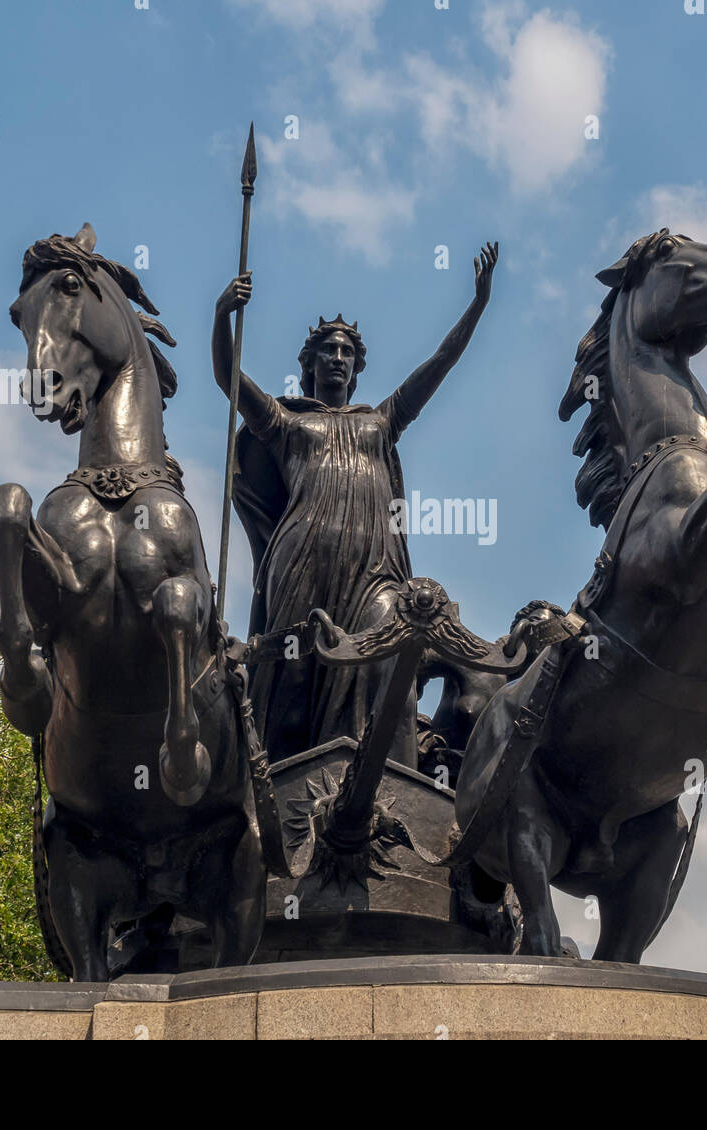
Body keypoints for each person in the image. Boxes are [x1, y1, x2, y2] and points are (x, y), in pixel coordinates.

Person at [212, 243, 499, 768]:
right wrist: (222, 317)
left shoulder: (381, 420)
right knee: (292, 679)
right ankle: (277, 784)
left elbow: (438, 365)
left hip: (373, 569)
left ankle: (388, 784)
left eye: (347, 352)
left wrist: (476, 306)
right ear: (310, 363)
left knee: (391, 653)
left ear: (357, 367)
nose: (339, 358)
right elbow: (230, 380)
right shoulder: (287, 423)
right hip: (302, 562)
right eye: (329, 350)